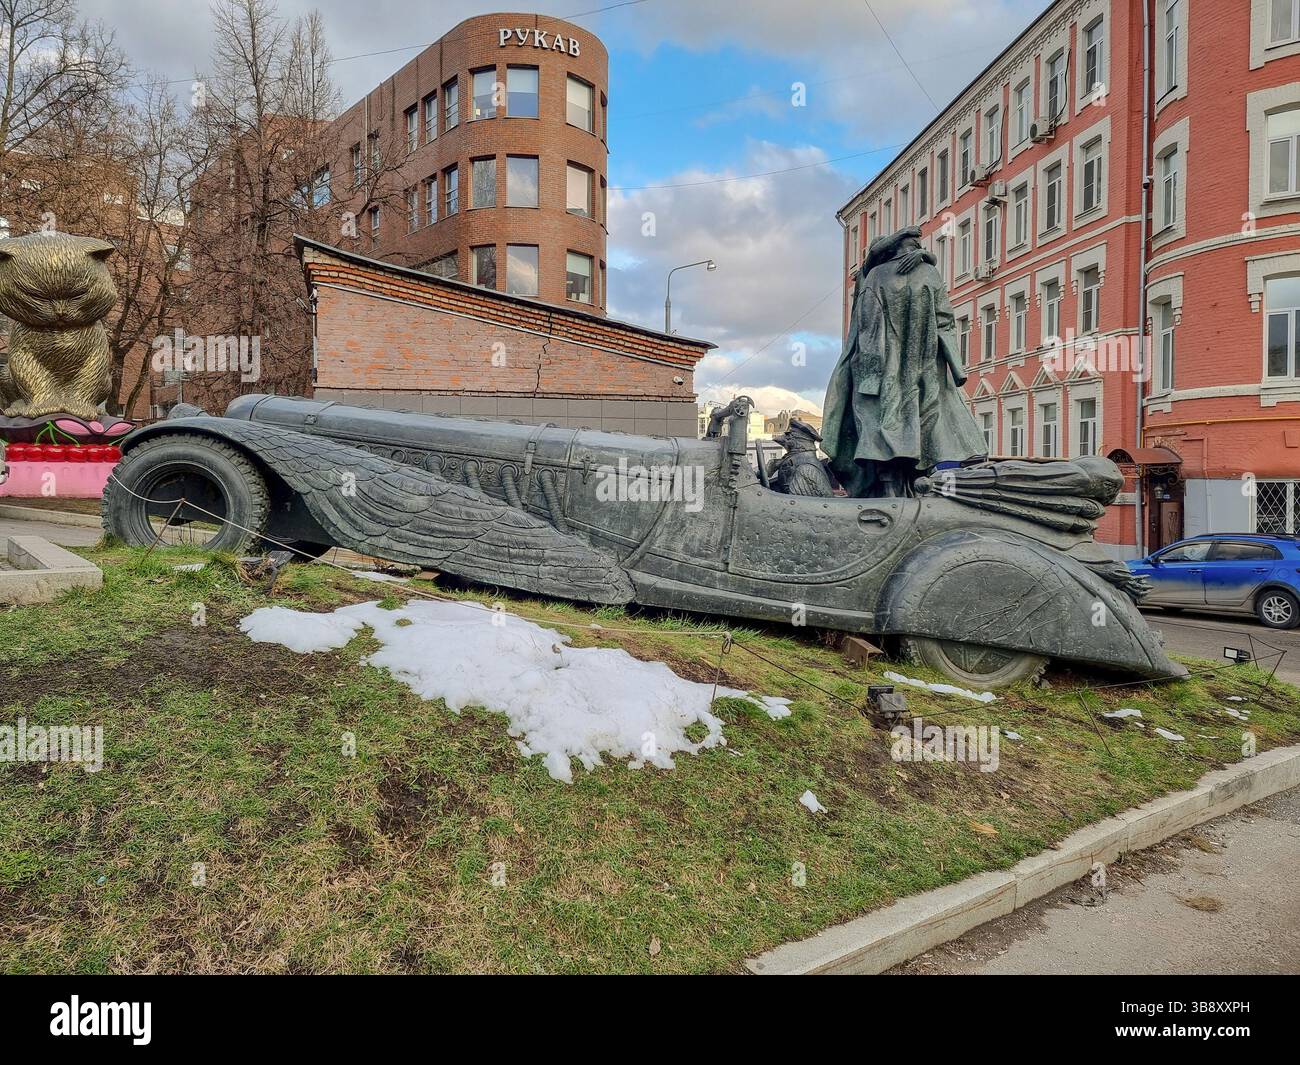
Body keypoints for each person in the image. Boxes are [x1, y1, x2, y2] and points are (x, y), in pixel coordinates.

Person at [822, 226, 987, 497]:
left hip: (883, 369)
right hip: (925, 370)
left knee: (881, 426)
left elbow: (867, 328)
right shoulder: (929, 273)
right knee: (923, 423)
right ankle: (919, 489)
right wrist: (956, 367)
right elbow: (945, 320)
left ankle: (888, 491)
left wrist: (868, 374)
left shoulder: (876, 276)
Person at [765, 418, 834, 497]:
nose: (784, 437)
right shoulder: (794, 461)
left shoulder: (806, 468)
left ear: (798, 442)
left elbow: (796, 500)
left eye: (789, 436)